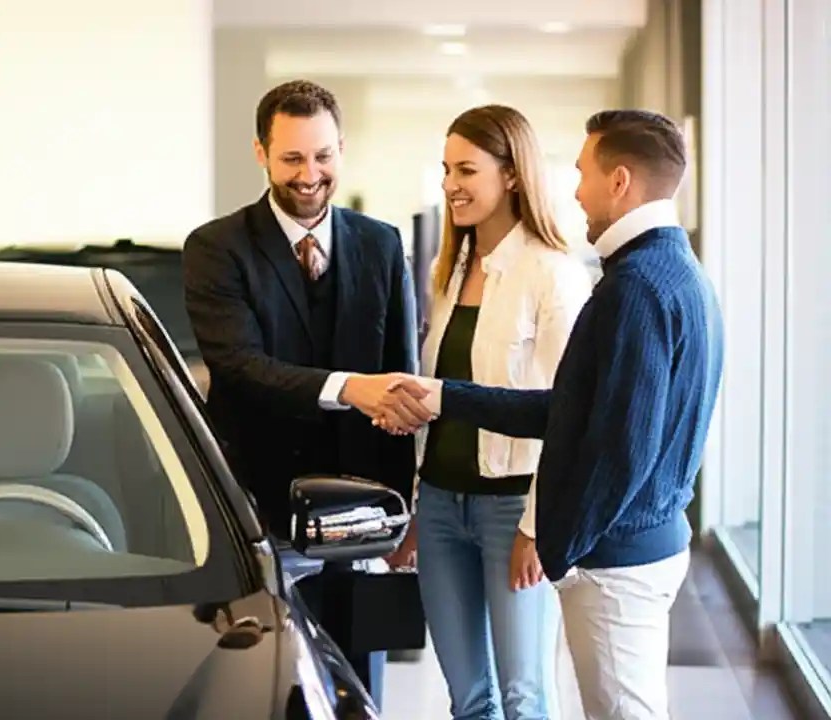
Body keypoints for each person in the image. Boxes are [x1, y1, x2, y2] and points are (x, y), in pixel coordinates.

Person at [381, 109, 724, 720]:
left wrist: (555, 541)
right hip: (489, 513)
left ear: (619, 181)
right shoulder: (669, 272)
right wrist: (443, 399)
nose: (576, 190)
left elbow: (620, 447)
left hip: (604, 550)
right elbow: (574, 412)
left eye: (584, 173)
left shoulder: (632, 286)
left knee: (558, 702)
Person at [182, 79, 420, 706]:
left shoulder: (382, 243)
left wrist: (404, 512)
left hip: (363, 516)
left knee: (363, 690)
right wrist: (351, 388)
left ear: (341, 149)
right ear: (260, 153)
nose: (309, 174)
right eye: (291, 158)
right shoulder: (217, 248)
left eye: (323, 156)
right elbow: (239, 366)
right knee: (273, 688)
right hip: (260, 508)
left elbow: (400, 370)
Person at [390, 105, 592, 720]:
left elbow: (568, 415)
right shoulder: (445, 272)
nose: (450, 184)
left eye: (466, 170)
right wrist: (418, 508)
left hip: (514, 511)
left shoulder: (553, 275)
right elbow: (441, 397)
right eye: (446, 169)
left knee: (525, 698)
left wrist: (537, 526)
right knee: (469, 699)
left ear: (511, 175)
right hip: (443, 508)